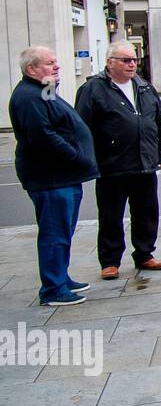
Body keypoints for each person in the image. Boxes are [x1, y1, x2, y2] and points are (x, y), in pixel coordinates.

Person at [7, 47, 98, 306]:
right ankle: (53, 288)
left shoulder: (44, 90)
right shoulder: (28, 97)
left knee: (63, 230)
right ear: (31, 69)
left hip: (64, 176)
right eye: (49, 63)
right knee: (54, 232)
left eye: (56, 62)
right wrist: (76, 156)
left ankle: (61, 277)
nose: (57, 66)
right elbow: (43, 137)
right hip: (52, 178)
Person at [75, 42, 161, 280]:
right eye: (126, 60)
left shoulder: (144, 87)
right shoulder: (93, 89)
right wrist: (90, 159)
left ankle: (145, 254)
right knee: (111, 215)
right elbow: (81, 128)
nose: (132, 65)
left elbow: (160, 121)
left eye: (134, 60)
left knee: (147, 212)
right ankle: (109, 262)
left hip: (144, 163)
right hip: (112, 166)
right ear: (110, 63)